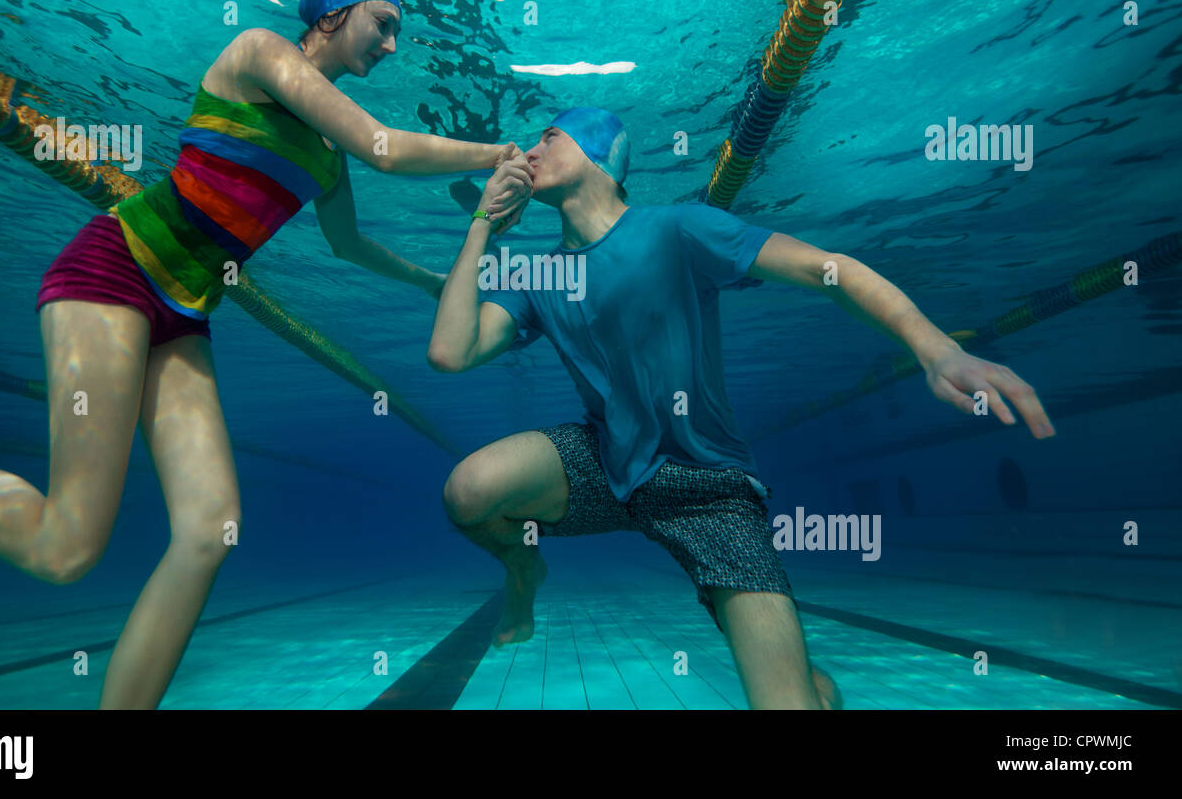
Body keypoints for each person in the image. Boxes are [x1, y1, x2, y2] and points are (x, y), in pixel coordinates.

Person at [0, 0, 532, 709]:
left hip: (183, 315)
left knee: (210, 529)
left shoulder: (324, 154)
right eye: (383, 25)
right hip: (114, 273)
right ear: (332, 13)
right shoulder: (257, 54)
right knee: (65, 548)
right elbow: (383, 148)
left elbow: (348, 249)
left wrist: (432, 283)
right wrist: (498, 154)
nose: (391, 46)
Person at [427, 107, 1056, 709]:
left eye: (549, 138)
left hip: (709, 487)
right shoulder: (540, 277)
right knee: (469, 491)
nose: (528, 151)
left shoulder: (678, 229)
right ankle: (523, 567)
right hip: (606, 462)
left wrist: (936, 348)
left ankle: (810, 686)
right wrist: (482, 222)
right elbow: (450, 353)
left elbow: (827, 269)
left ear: (599, 159)